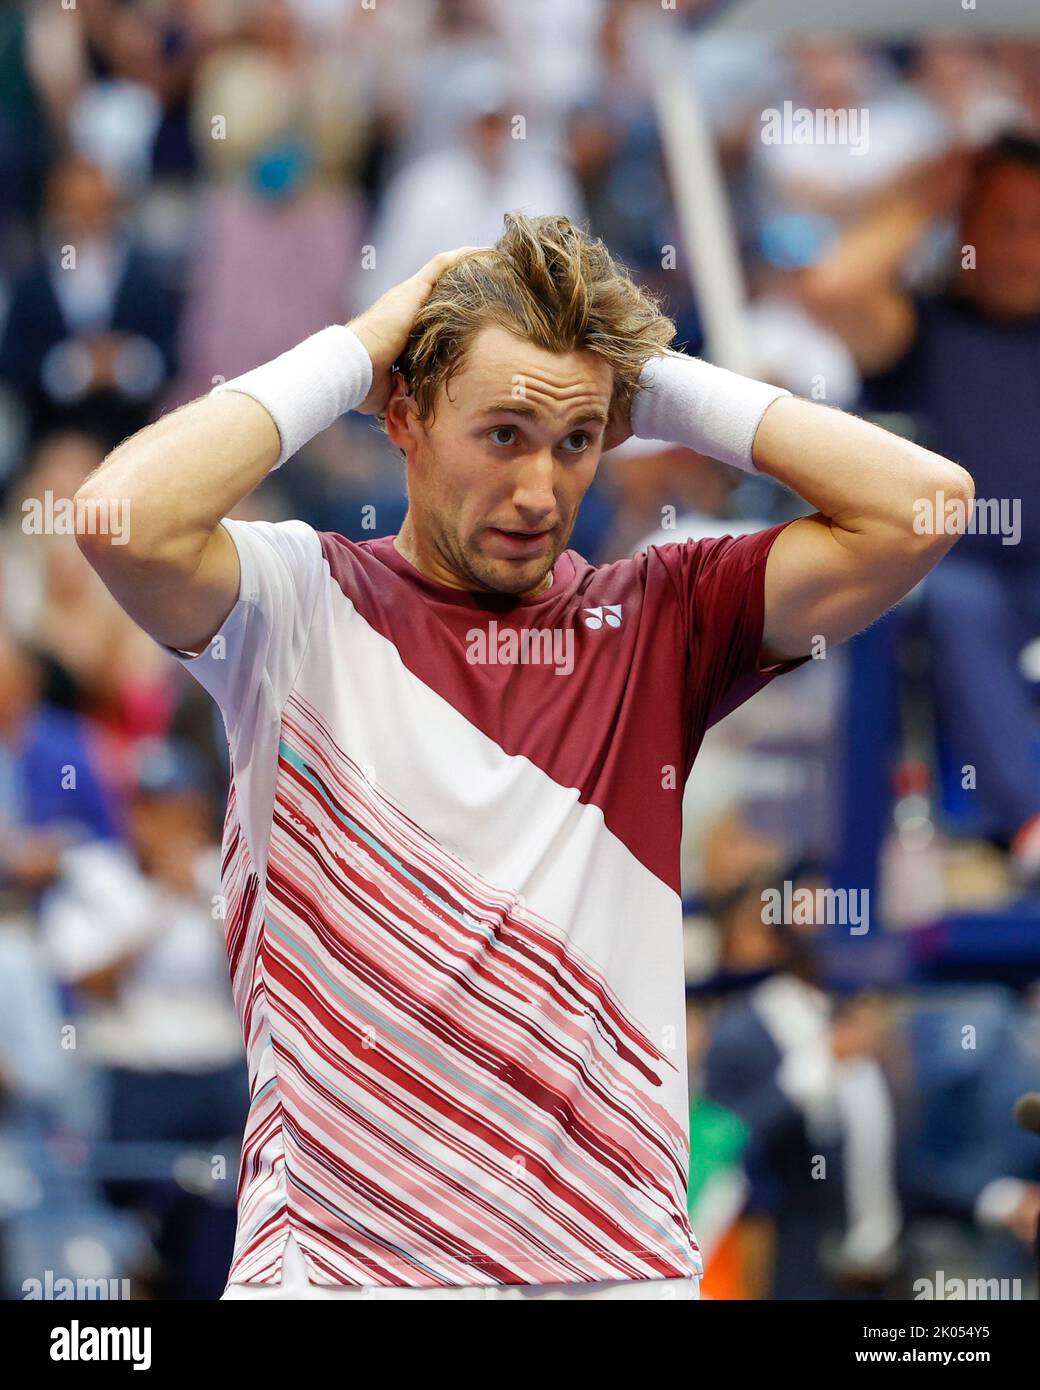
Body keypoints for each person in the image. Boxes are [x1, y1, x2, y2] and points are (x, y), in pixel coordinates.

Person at [73, 213, 972, 1300]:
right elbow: (122, 516)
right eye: (502, 433)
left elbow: (925, 505)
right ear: (402, 417)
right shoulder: (296, 600)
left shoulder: (656, 620)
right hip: (339, 1276)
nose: (540, 490)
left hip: (608, 1273)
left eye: (576, 441)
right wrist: (356, 346)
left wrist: (659, 382)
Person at [802, 133, 1040, 882]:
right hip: (963, 588)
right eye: (1005, 222)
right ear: (965, 227)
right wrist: (927, 196)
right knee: (954, 596)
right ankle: (1030, 822)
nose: (1024, 248)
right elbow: (834, 290)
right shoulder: (923, 328)